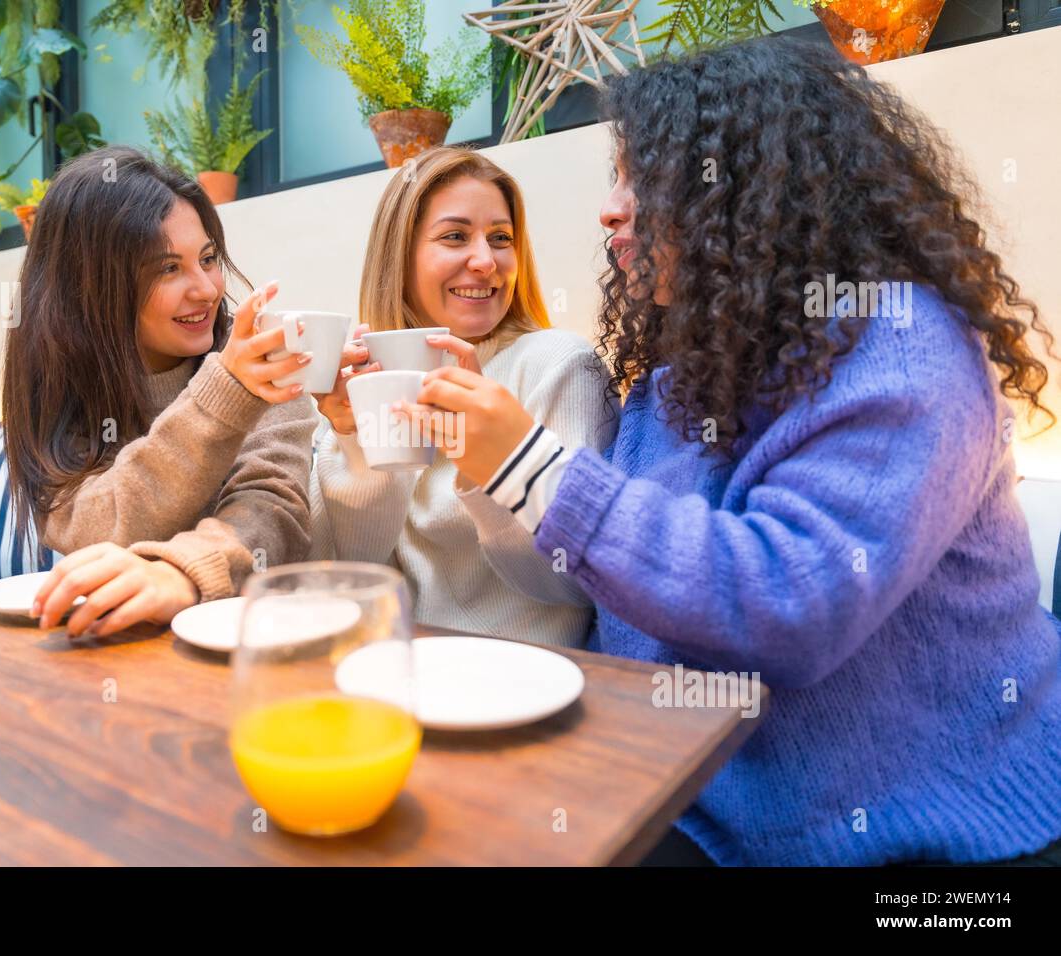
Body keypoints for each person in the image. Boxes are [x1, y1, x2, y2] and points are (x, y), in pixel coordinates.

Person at [403, 39, 1061, 865]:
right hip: (694, 798)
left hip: (921, 834)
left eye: (640, 177)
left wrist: (530, 464)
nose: (610, 209)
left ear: (753, 187)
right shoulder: (682, 375)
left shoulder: (902, 351)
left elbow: (788, 607)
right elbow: (618, 584)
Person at [1, 146, 315, 638]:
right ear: (89, 288)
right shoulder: (61, 383)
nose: (208, 290)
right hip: (109, 646)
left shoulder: (258, 357)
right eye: (168, 268)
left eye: (208, 259)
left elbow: (274, 507)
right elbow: (89, 526)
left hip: (246, 641)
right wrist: (221, 395)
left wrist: (182, 571)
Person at [309, 147, 616, 647]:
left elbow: (573, 584)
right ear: (399, 256)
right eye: (455, 237)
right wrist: (351, 440)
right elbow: (341, 575)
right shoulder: (362, 378)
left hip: (519, 681)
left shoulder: (558, 365)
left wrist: (486, 465)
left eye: (501, 239)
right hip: (390, 671)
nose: (484, 260)